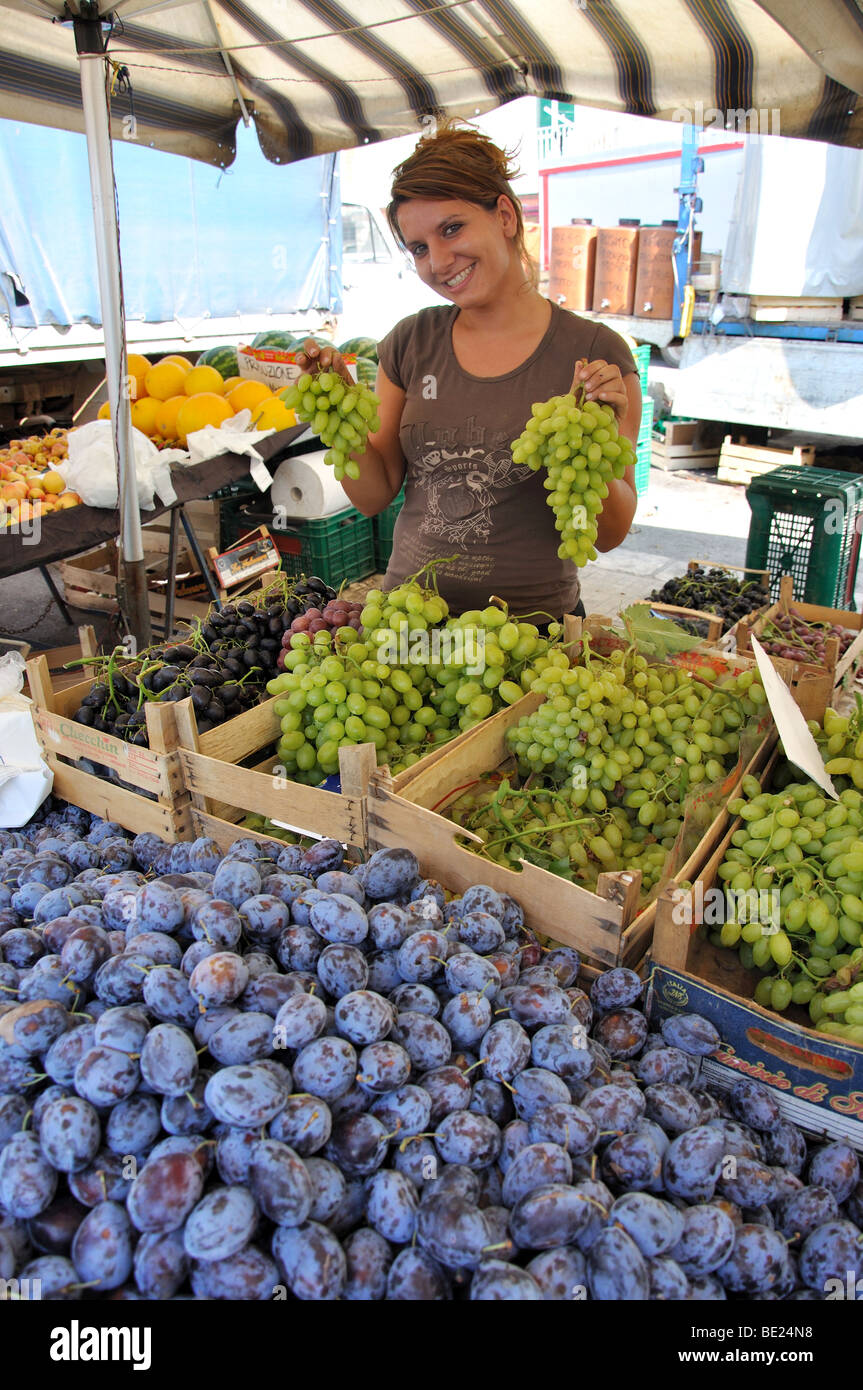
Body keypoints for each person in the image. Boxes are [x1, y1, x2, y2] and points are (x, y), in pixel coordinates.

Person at [295, 121, 641, 623]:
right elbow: (373, 495)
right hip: (409, 633)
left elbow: (606, 534)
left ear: (503, 215)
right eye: (418, 247)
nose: (438, 261)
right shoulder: (410, 343)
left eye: (452, 228)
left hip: (529, 642)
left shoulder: (593, 353)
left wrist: (594, 446)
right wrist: (338, 410)